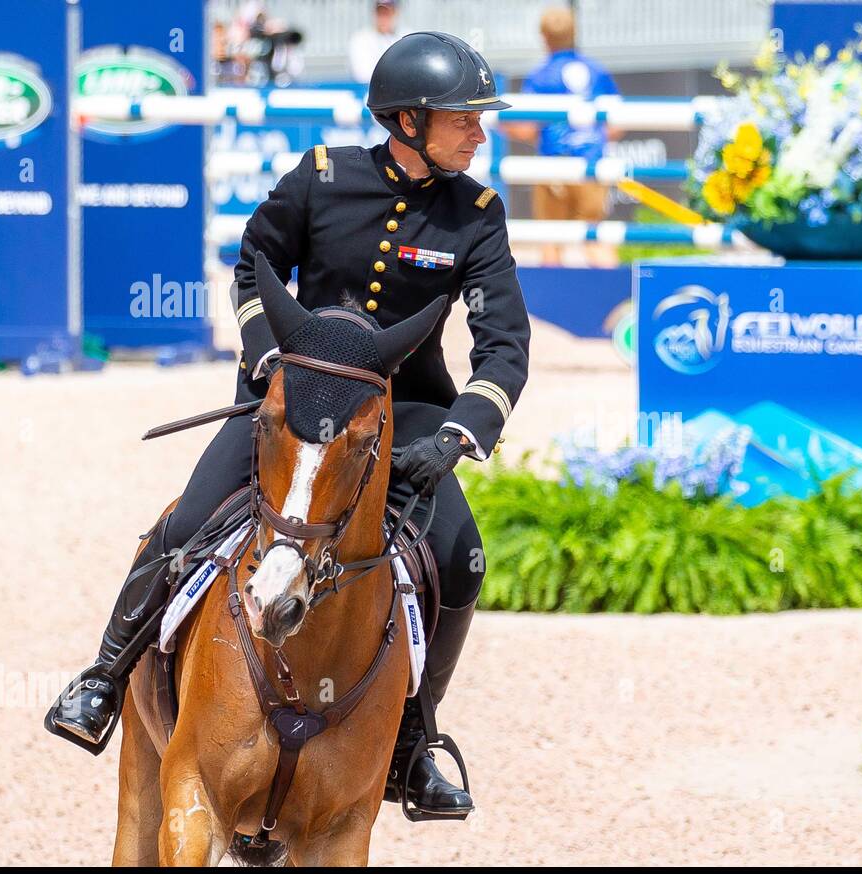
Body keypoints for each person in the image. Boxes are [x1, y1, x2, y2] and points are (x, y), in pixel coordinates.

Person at [44, 31, 530, 818]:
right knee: (189, 520)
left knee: (463, 558)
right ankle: (103, 677)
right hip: (290, 398)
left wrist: (459, 432)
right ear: (408, 122)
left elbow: (504, 344)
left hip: (401, 413)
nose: (480, 131)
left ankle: (412, 741)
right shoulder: (321, 178)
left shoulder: (477, 215)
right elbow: (251, 267)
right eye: (464, 118)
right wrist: (269, 365)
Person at [504, 6, 621, 266]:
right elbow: (615, 125)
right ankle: (622, 297)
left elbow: (528, 128)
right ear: (575, 32)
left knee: (551, 241)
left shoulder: (540, 76)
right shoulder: (597, 71)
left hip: (553, 166)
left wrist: (497, 124)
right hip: (591, 164)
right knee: (595, 236)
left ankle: (552, 305)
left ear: (544, 36)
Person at [349, 0, 402, 84]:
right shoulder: (361, 39)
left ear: (396, 13)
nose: (383, 18)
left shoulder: (405, 36)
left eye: (387, 13)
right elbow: (362, 75)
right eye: (380, 13)